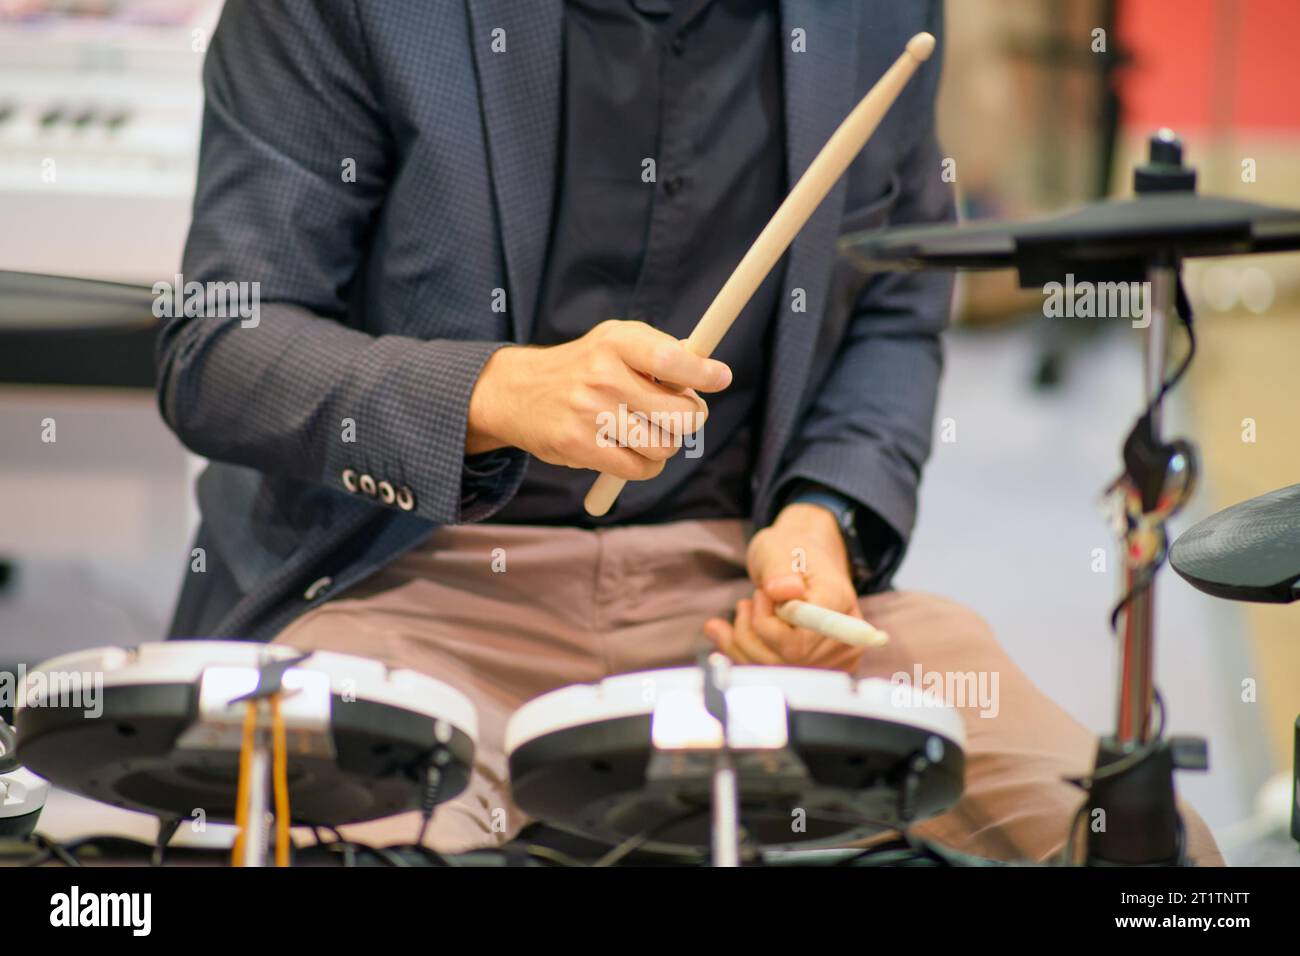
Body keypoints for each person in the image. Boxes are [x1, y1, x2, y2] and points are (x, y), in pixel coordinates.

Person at [156, 0, 1221, 863]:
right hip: (406, 588)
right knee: (350, 844)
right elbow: (220, 346)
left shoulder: (873, 13)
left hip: (735, 596)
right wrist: (492, 392)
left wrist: (825, 517)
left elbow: (895, 303)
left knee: (1143, 852)